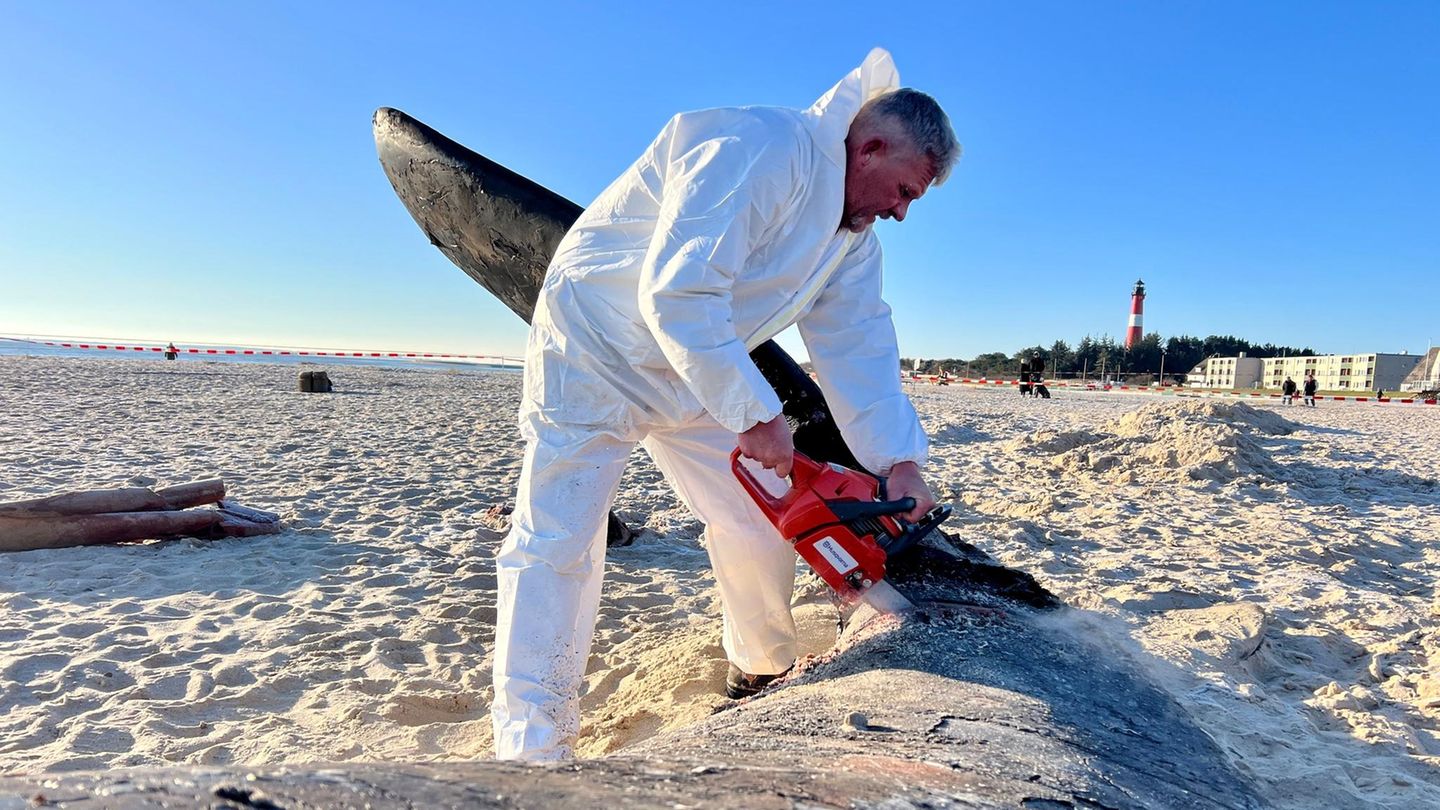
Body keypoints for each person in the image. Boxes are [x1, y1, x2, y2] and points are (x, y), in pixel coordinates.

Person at [491, 49, 958, 763]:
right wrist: (753, 411)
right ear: (868, 147)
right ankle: (532, 746)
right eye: (903, 192)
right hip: (596, 350)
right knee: (559, 543)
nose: (899, 212)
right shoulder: (761, 147)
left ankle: (760, 666)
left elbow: (858, 347)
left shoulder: (851, 242)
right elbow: (678, 290)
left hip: (702, 365)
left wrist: (900, 462)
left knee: (757, 516)